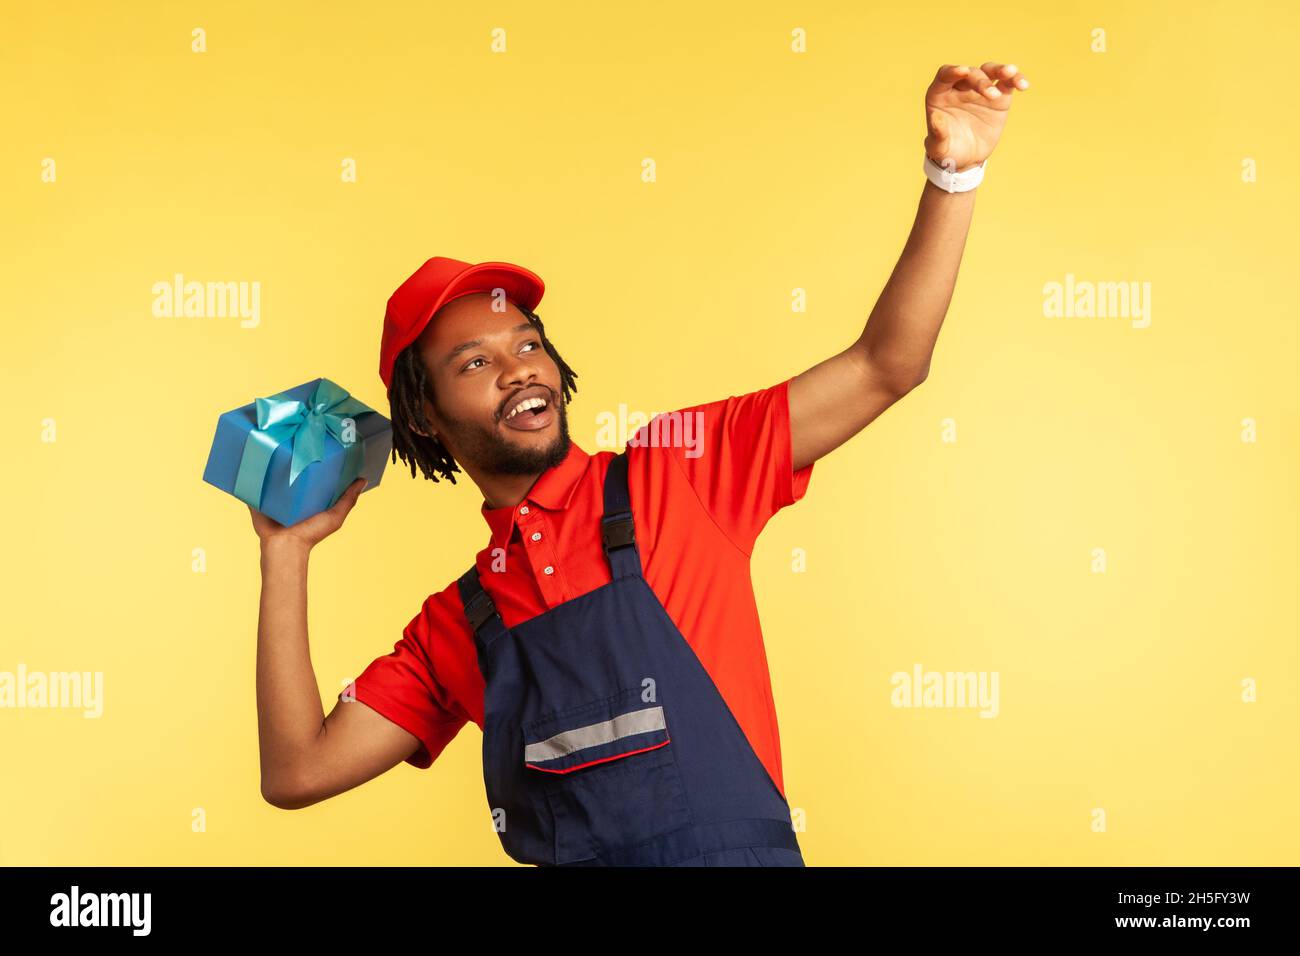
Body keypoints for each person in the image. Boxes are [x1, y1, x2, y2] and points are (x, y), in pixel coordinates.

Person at [248, 62, 1031, 866]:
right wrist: (285, 553)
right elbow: (297, 772)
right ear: (423, 414)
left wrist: (953, 175)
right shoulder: (458, 624)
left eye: (528, 344)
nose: (519, 370)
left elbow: (886, 365)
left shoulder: (680, 472)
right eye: (475, 363)